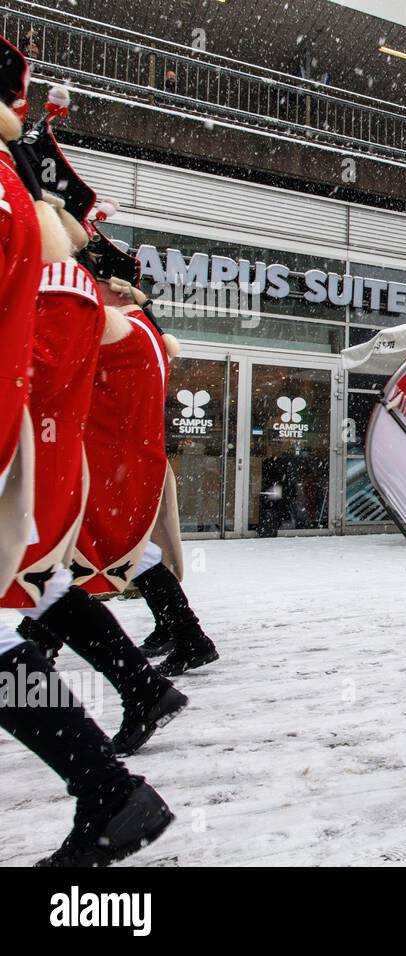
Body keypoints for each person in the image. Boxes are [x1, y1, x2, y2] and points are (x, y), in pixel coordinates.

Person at [0, 36, 173, 866]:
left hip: (33, 475)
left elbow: (40, 387)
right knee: (33, 608)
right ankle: (137, 708)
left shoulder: (64, 282)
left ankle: (113, 776)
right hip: (36, 473)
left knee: (26, 613)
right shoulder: (62, 271)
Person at [71, 227, 221, 675]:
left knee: (98, 557)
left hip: (114, 464)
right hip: (127, 461)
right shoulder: (143, 330)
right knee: (129, 554)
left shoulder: (121, 333)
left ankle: (38, 643)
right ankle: (180, 632)